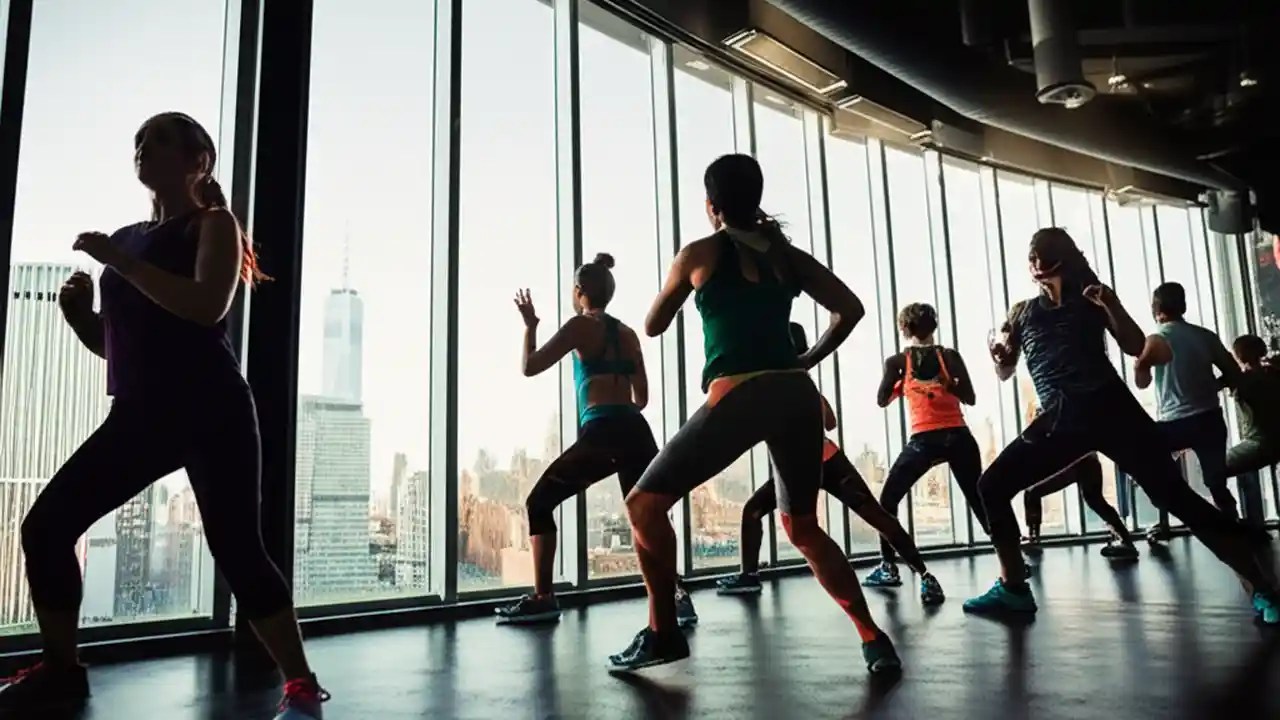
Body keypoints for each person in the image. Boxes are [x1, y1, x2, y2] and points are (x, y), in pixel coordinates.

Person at [0, 113, 328, 719]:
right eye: (138, 142)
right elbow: (121, 345)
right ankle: (62, 669)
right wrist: (78, 317)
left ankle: (302, 688)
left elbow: (204, 308)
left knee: (237, 549)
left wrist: (118, 265)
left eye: (158, 139)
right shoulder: (124, 238)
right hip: (144, 412)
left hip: (211, 407)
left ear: (198, 160)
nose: (142, 147)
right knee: (44, 528)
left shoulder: (214, 225)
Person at [611, 154, 901, 673]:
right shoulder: (788, 256)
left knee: (643, 505)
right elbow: (850, 308)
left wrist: (685, 281)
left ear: (711, 205)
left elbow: (653, 324)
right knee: (803, 528)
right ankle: (873, 638)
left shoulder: (699, 253)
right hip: (794, 395)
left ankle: (663, 633)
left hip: (739, 396)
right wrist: (807, 358)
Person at [965, 226, 1277, 625]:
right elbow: (1006, 369)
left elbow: (1134, 345)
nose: (1033, 263)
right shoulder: (1022, 312)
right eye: (1030, 256)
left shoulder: (1092, 297)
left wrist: (1110, 303)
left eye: (1039, 255)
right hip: (1062, 418)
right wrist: (999, 357)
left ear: (1058, 258)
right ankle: (1013, 589)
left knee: (1177, 498)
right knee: (991, 486)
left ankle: (1263, 588)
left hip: (1114, 411)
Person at [493, 254, 697, 627]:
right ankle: (678, 596)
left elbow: (530, 366)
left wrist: (530, 326)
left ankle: (543, 598)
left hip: (602, 432)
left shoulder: (579, 327)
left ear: (579, 292)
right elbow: (642, 399)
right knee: (650, 517)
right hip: (636, 430)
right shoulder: (629, 334)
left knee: (539, 503)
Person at [715, 323, 945, 605]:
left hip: (799, 467)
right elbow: (830, 422)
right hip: (827, 459)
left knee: (753, 510)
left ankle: (748, 577)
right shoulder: (801, 380)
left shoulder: (776, 380)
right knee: (877, 515)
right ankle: (925, 575)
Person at [861, 303, 986, 589]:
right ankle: (1015, 560)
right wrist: (947, 385)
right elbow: (970, 397)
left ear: (904, 329)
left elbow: (881, 400)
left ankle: (888, 567)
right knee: (980, 500)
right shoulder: (950, 357)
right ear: (934, 326)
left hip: (925, 440)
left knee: (887, 502)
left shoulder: (896, 362)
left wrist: (900, 384)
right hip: (958, 436)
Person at [1133, 282, 1240, 540]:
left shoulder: (1155, 339)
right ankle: (1231, 527)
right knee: (1216, 482)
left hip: (1172, 422)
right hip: (1208, 419)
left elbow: (1142, 382)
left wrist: (1140, 364)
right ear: (1183, 306)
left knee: (1155, 470)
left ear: (1156, 309)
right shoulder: (1205, 336)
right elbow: (1233, 373)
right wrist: (1211, 386)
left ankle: (1165, 524)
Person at [1021, 453, 1139, 559]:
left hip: (1079, 461)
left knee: (1033, 493)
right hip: (1084, 460)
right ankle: (1125, 540)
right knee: (1095, 501)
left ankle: (1034, 539)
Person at [1224, 334, 1280, 478]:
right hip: (1272, 439)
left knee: (1216, 468)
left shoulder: (1242, 381)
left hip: (1261, 443)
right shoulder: (1274, 372)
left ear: (1239, 357)